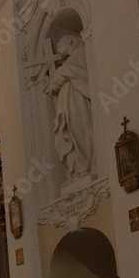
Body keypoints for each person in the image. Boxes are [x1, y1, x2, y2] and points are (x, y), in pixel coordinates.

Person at [45, 35, 93, 180]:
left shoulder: (81, 50)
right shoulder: (71, 59)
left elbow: (69, 70)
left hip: (78, 101)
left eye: (60, 44)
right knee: (70, 131)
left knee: (80, 129)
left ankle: (87, 165)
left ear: (70, 41)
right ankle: (78, 169)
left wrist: (53, 81)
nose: (58, 48)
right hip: (67, 103)